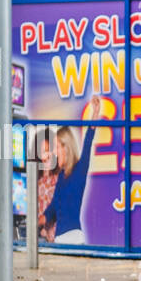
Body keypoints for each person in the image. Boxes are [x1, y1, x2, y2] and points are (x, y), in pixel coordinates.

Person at [42, 96, 101, 245]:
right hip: (60, 238)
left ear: (66, 148)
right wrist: (37, 222)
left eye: (56, 147)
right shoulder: (61, 176)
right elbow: (53, 208)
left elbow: (88, 142)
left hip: (73, 237)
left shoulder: (79, 170)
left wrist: (95, 114)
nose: (53, 152)